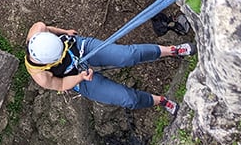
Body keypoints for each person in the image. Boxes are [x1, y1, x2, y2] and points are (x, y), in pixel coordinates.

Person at [25, 21, 195, 115]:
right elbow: (61, 85)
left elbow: (49, 28)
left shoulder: (38, 30)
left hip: (80, 47)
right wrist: (80, 77)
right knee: (128, 100)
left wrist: (65, 32)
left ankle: (172, 50)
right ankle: (161, 100)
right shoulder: (41, 76)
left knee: (128, 55)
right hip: (73, 76)